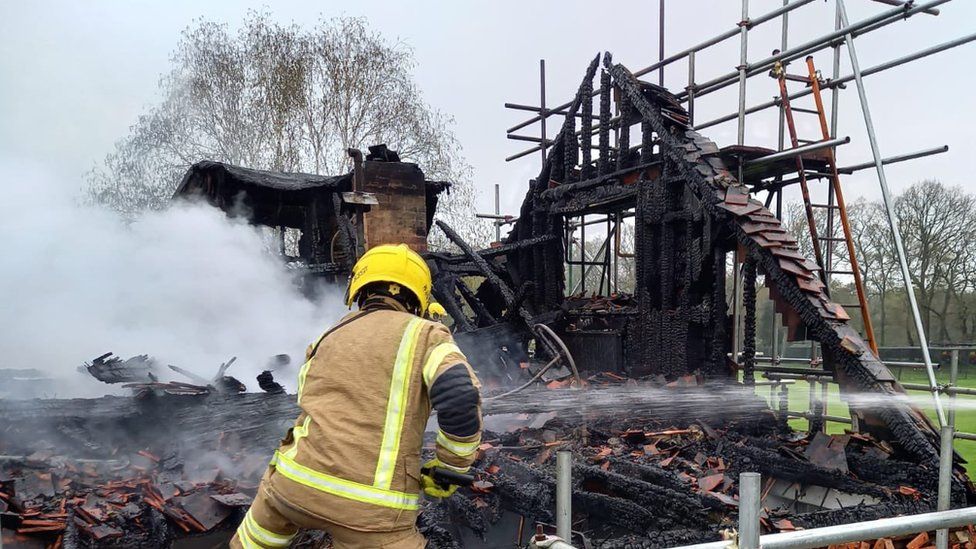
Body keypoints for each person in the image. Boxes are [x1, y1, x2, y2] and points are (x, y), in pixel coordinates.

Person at [232, 244, 482, 549]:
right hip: (369, 510)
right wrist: (451, 469)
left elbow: (308, 399)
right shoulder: (427, 334)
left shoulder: (329, 335)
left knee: (254, 541)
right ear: (419, 296)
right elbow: (459, 394)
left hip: (290, 484)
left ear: (358, 289)